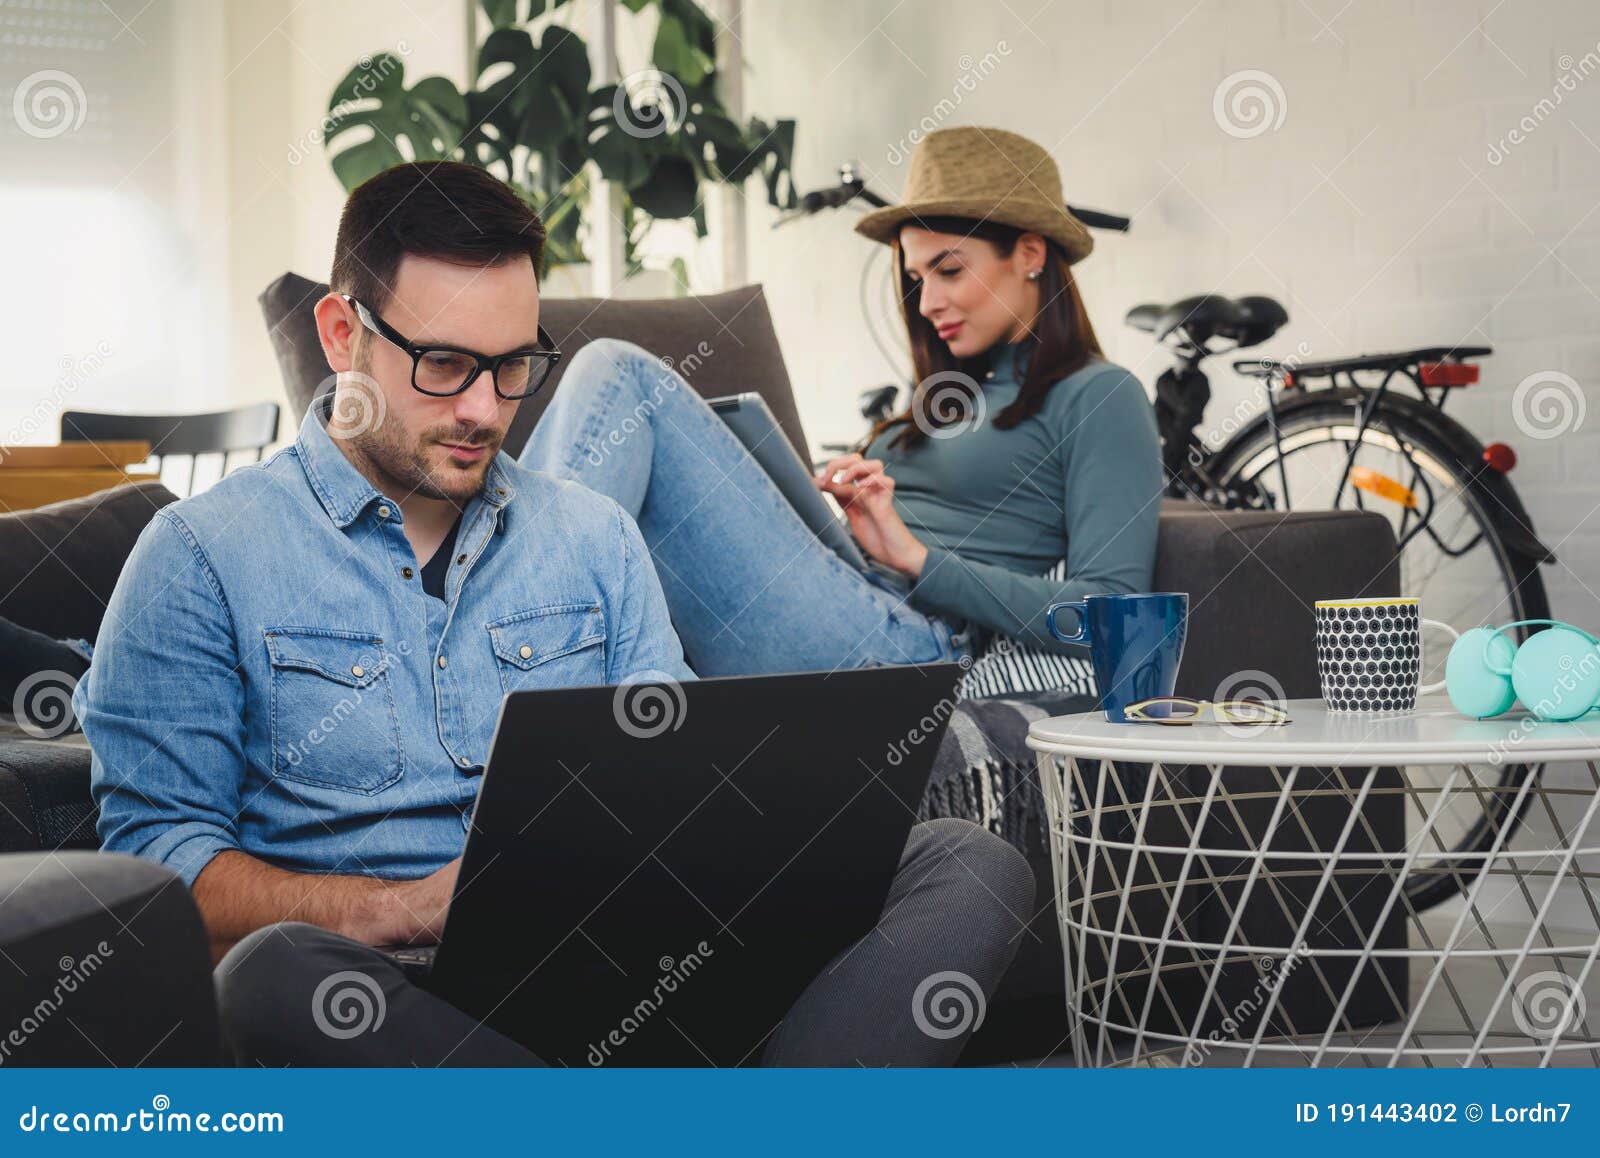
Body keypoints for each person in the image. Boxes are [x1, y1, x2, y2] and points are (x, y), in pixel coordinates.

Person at [74, 160, 1033, 1067]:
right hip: (404, 996)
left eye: (514, 365)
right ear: (340, 333)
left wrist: (745, 842)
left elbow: (685, 773)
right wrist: (405, 909)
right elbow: (164, 872)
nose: (487, 411)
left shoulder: (596, 536)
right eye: (445, 364)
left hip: (636, 967)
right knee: (269, 979)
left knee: (968, 867)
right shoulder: (200, 556)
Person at [519, 126, 1162, 678]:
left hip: (903, 638)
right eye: (916, 280)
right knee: (623, 454)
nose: (928, 302)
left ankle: (502, 633)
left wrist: (915, 558)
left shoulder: (1100, 395)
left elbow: (1109, 620)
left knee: (619, 371)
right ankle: (546, 663)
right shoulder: (940, 401)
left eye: (949, 269)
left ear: (1028, 254)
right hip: (836, 587)